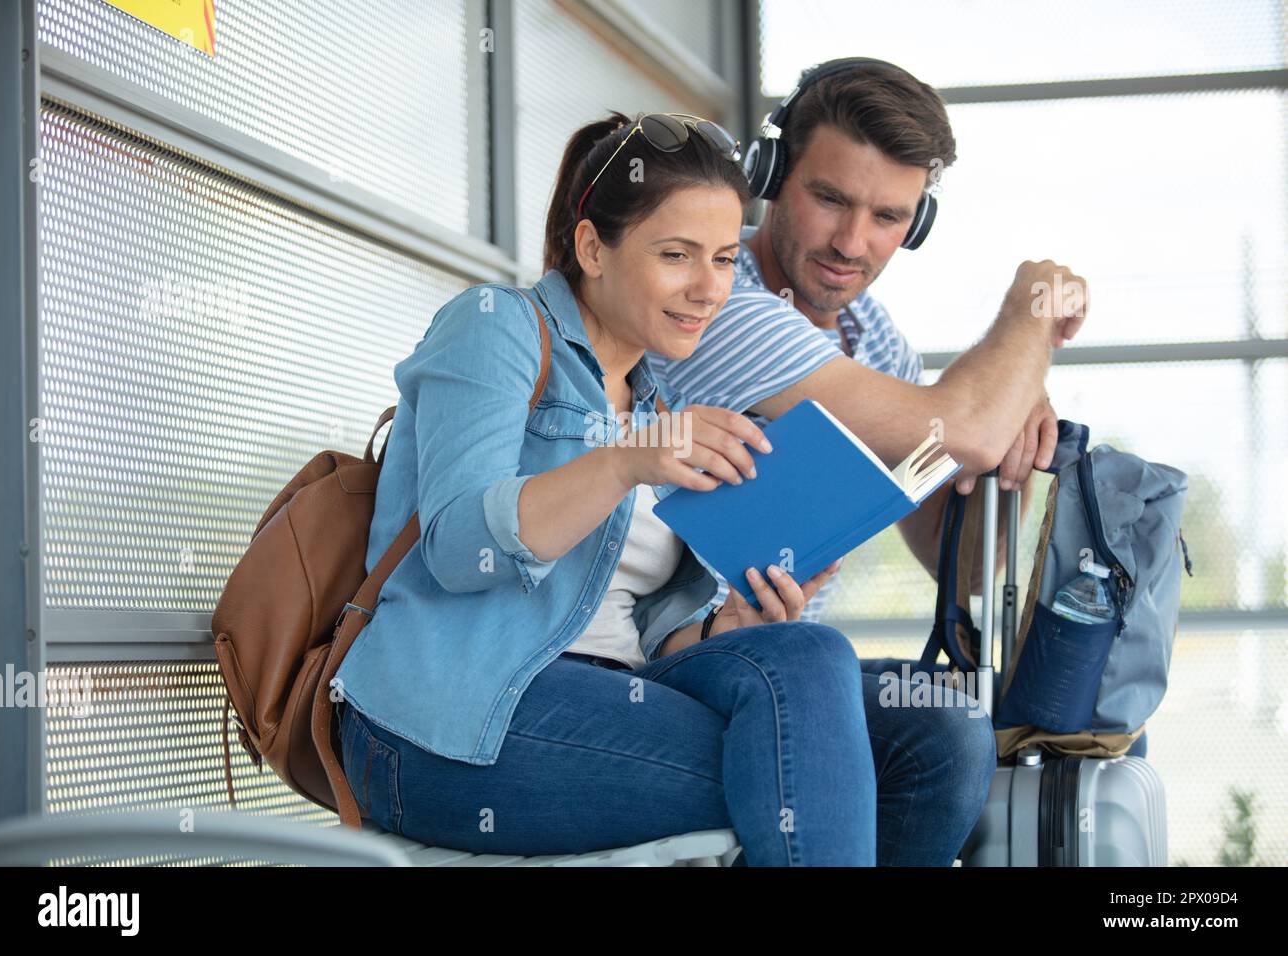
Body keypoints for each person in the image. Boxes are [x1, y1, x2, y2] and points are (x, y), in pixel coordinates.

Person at [331, 111, 877, 866]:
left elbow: (643, 633)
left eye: (723, 259)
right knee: (798, 779)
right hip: (451, 723)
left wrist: (733, 626)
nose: (708, 288)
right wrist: (624, 462)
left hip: (612, 695)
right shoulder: (498, 329)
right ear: (592, 246)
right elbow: (459, 548)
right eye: (677, 255)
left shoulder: (653, 404)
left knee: (848, 685)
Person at [644, 58, 1092, 863]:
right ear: (769, 174)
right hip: (677, 655)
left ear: (916, 223)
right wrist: (1032, 310)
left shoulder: (873, 340)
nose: (853, 243)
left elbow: (956, 566)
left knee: (968, 715)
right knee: (934, 730)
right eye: (829, 199)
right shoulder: (717, 303)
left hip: (786, 662)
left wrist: (1016, 423)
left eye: (889, 216)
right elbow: (964, 425)